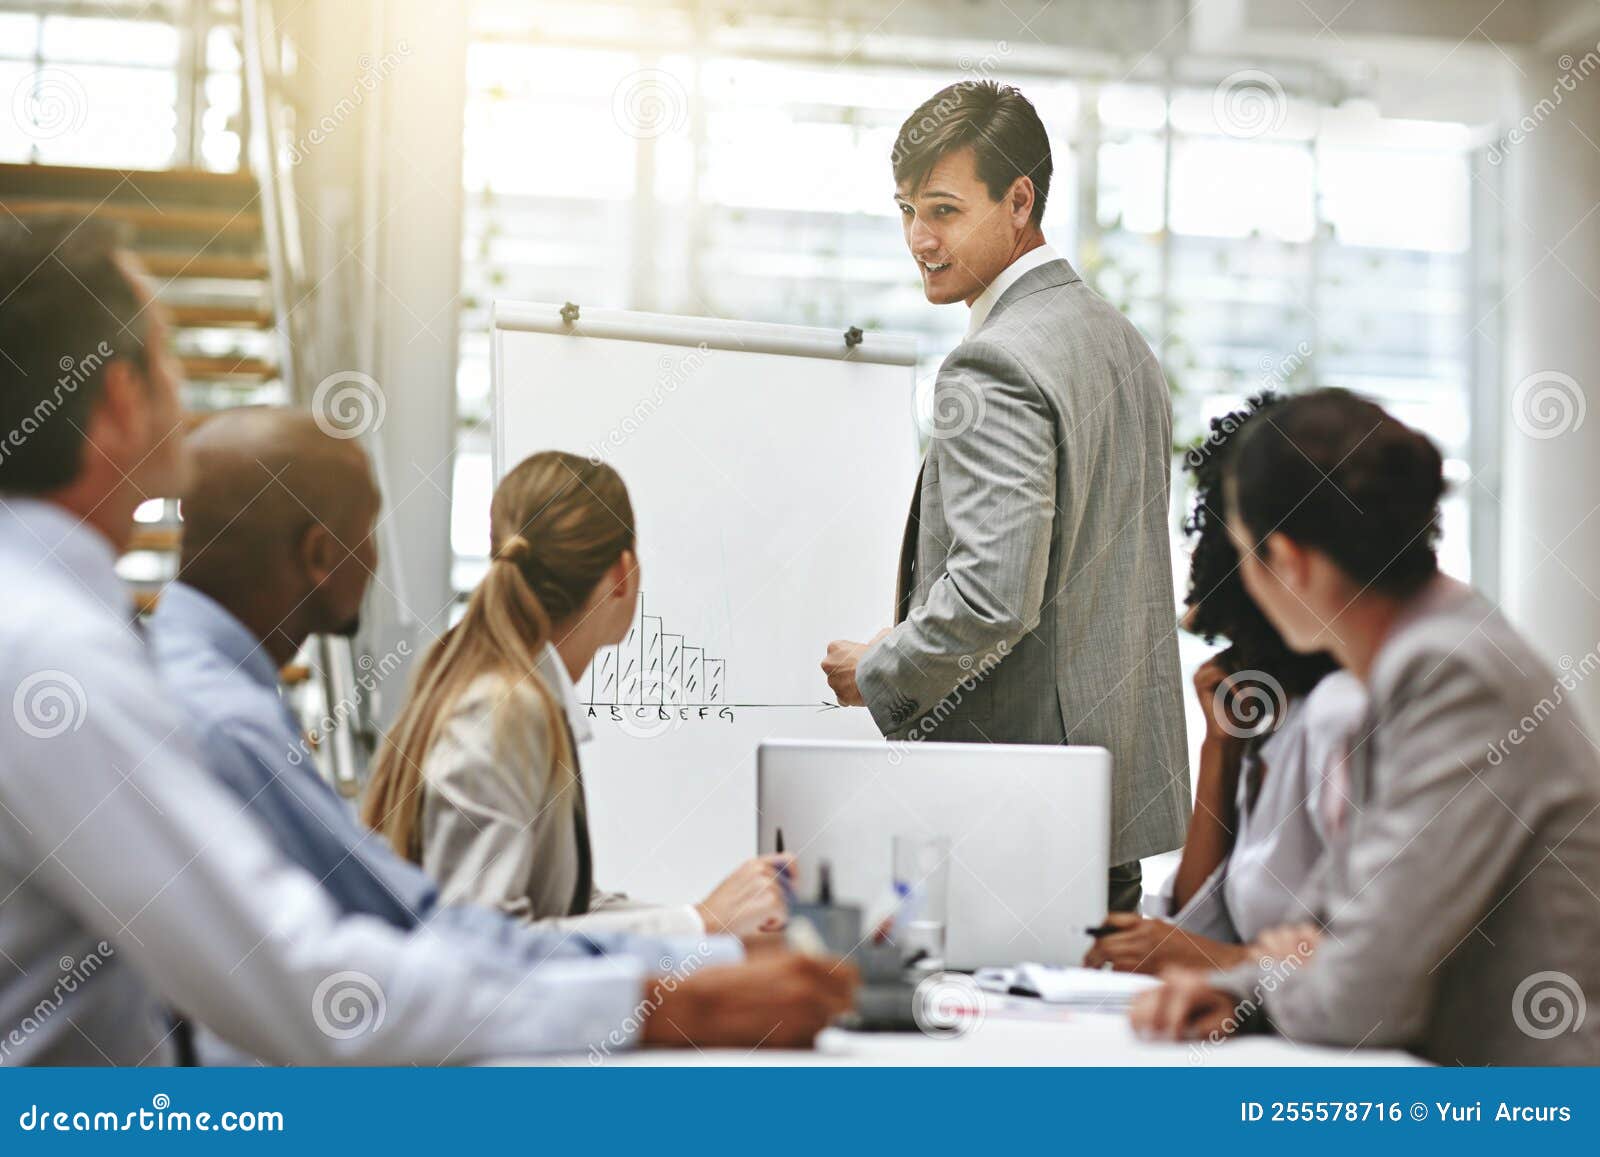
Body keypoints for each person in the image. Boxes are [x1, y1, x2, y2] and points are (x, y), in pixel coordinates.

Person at [0, 217, 854, 1065]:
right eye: (169, 362)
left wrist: (682, 956)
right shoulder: (64, 657)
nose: (186, 398)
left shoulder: (79, 637)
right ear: (117, 402)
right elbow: (303, 982)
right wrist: (664, 994)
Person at [148, 408, 766, 1062]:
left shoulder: (222, 696)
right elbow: (452, 927)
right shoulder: (231, 722)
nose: (378, 560)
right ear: (320, 554)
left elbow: (441, 914)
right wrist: (699, 946)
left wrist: (696, 939)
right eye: (370, 532)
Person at [1130, 388, 1600, 1065]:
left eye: (1242, 553)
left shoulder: (1450, 673)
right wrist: (1241, 983)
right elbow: (1325, 923)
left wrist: (1284, 970)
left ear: (1287, 560)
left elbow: (1361, 992)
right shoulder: (1423, 655)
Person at [820, 80, 1188, 910]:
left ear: (1019, 200)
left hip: (1015, 819)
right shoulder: (1122, 344)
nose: (919, 237)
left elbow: (992, 594)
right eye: (907, 209)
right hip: (1103, 812)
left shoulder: (996, 361)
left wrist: (881, 664)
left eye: (944, 210)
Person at [362, 450, 789, 938]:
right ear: (623, 574)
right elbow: (484, 941)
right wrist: (702, 922)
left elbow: (563, 909)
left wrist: (710, 924)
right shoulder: (505, 711)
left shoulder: (512, 693)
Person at [1084, 396, 1366, 973]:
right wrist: (1220, 750)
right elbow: (1196, 920)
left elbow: (1370, 970)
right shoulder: (1274, 710)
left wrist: (1217, 962)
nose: (1192, 615)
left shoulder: (1350, 714)